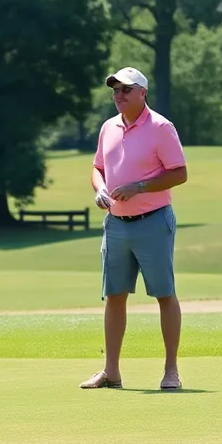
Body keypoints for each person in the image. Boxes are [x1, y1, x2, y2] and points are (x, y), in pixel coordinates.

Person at [82, 67, 188, 391]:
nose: (119, 95)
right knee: (114, 296)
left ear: (142, 92)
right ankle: (111, 371)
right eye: (115, 90)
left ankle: (171, 371)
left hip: (153, 221)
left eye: (126, 90)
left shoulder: (161, 127)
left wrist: (140, 186)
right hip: (115, 224)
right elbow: (98, 167)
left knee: (164, 295)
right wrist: (99, 188)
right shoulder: (108, 128)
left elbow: (179, 172)